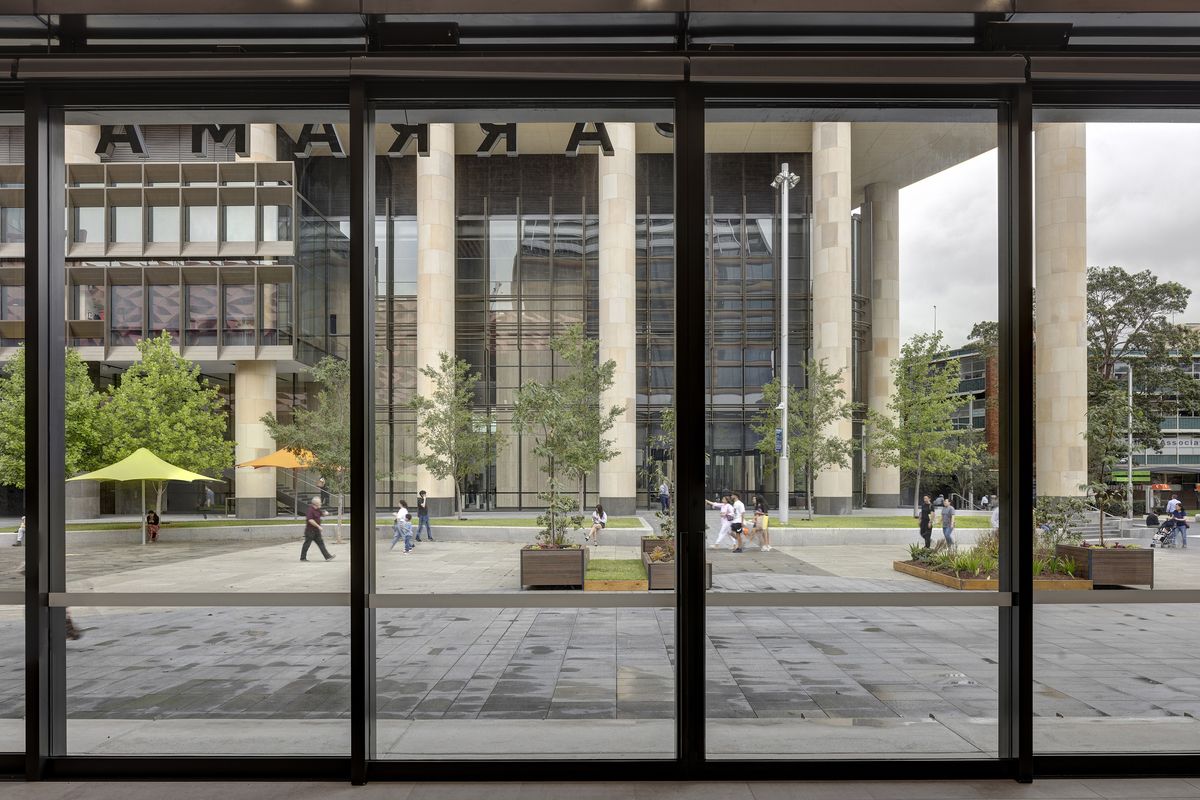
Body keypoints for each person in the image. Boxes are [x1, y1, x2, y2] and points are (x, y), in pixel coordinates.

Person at [301, 497, 335, 562]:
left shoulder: (317, 509)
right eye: (319, 502)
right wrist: (318, 526)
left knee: (321, 543)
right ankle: (303, 558)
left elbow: (321, 514)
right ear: (316, 504)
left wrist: (325, 514)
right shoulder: (310, 510)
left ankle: (327, 556)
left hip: (316, 531)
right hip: (310, 531)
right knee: (307, 544)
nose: (321, 503)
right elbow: (310, 520)